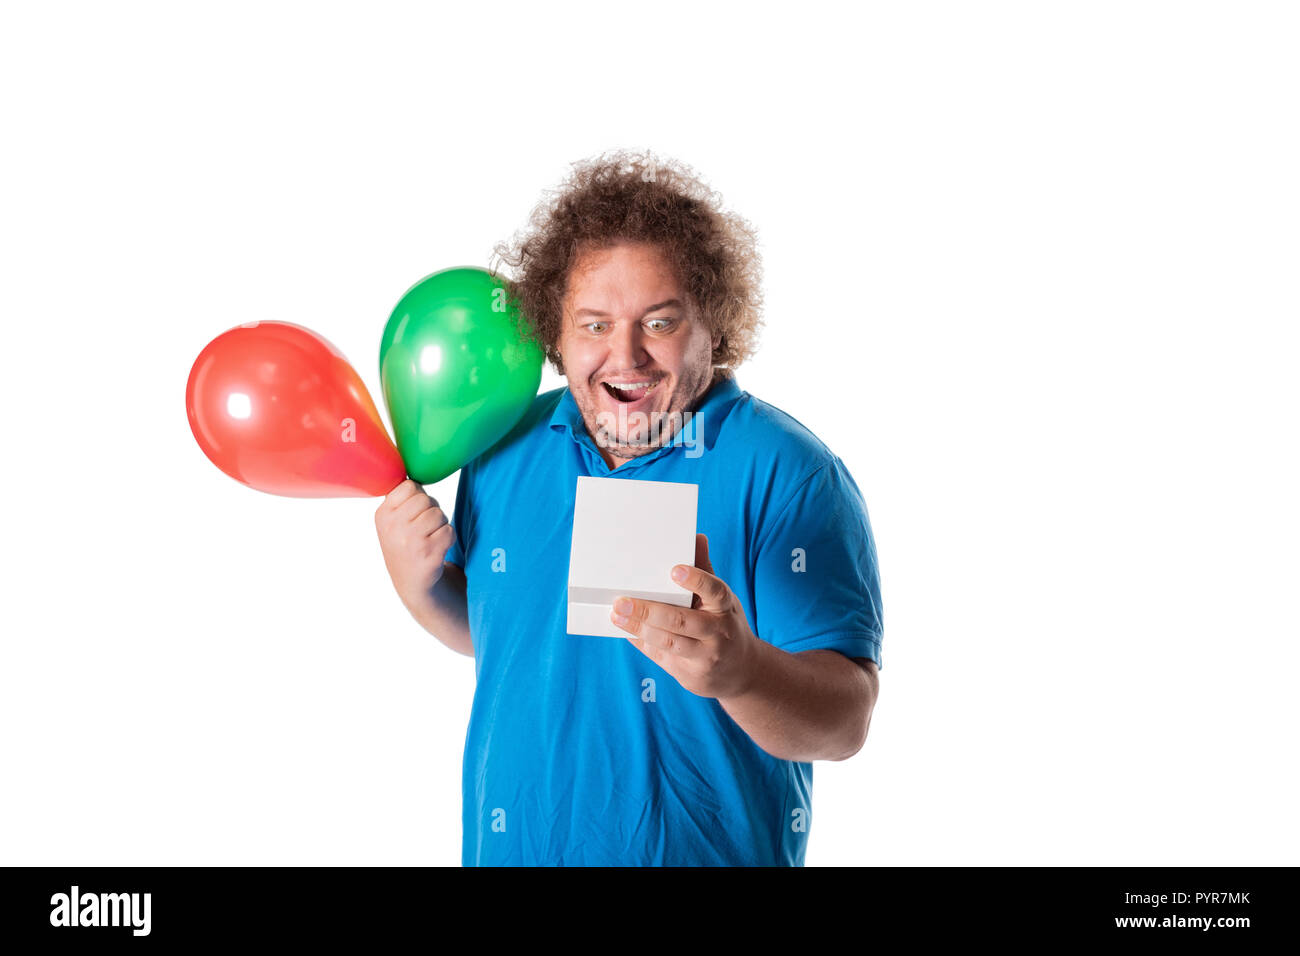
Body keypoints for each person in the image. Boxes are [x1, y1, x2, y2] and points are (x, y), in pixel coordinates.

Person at [374, 151, 883, 866]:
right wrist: (421, 591)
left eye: (660, 321)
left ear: (716, 327)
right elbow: (513, 637)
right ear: (555, 333)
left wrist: (744, 673)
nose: (626, 357)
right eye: (592, 325)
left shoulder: (792, 473)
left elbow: (846, 722)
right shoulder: (504, 448)